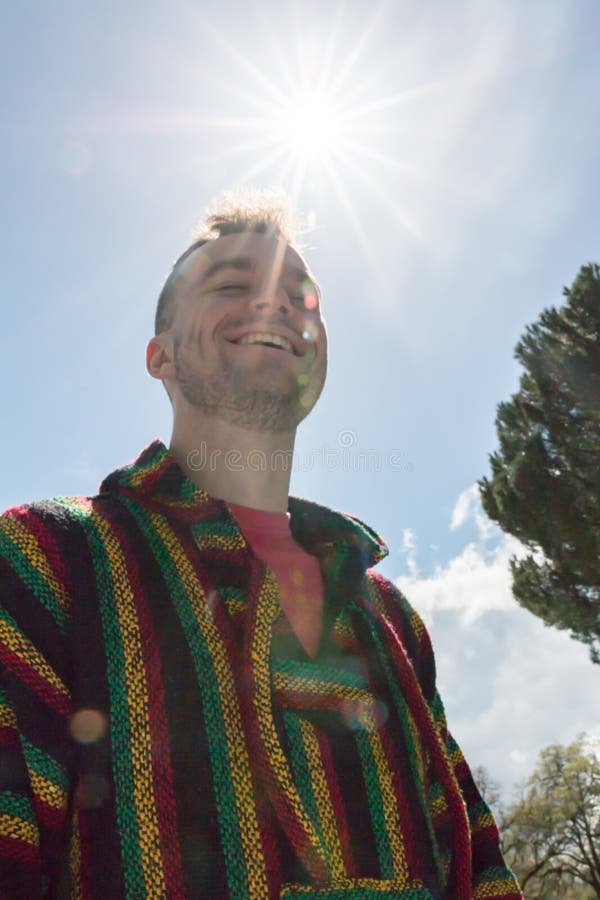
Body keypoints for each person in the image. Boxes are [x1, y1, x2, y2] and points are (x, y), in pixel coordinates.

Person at [0, 192, 522, 899]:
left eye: (301, 296)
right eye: (233, 286)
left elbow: (479, 863)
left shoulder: (387, 616)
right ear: (160, 356)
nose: (277, 305)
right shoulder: (43, 560)